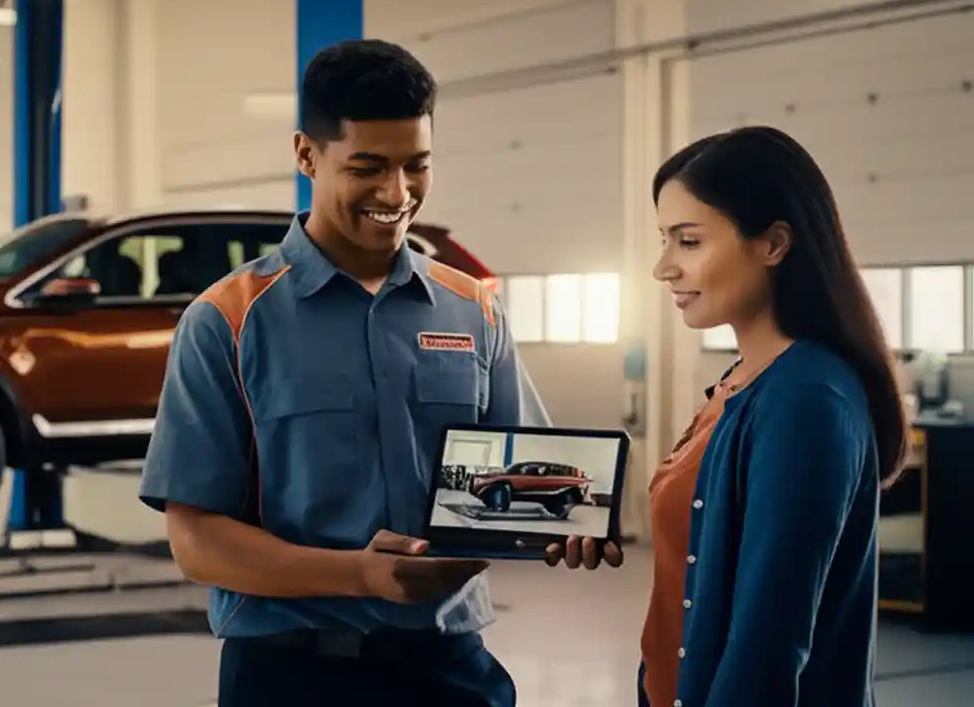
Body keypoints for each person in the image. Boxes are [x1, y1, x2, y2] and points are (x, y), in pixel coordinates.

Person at [139, 39, 550, 707]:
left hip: (451, 670)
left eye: (417, 166)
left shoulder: (473, 309)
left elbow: (524, 485)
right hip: (293, 676)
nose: (397, 193)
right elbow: (196, 542)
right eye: (369, 167)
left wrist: (568, 528)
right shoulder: (228, 322)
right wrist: (359, 576)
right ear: (307, 155)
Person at [548, 125, 904, 706]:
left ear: (774, 244)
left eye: (689, 242)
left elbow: (768, 646)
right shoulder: (739, 384)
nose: (664, 267)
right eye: (665, 240)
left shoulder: (806, 400)